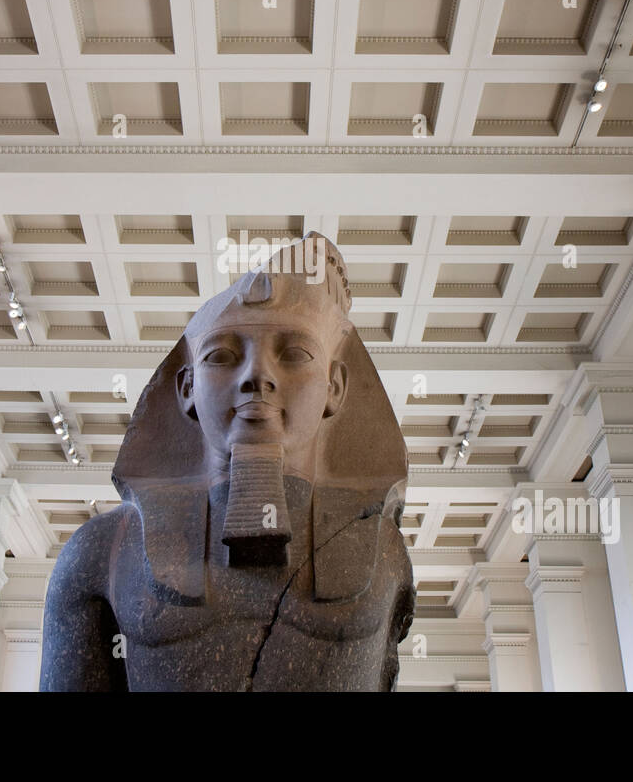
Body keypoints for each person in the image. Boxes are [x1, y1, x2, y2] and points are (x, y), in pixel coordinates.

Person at [40, 233, 413, 691]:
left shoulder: (385, 551)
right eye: (223, 356)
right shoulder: (101, 550)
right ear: (186, 388)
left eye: (294, 353)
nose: (257, 375)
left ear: (334, 386)